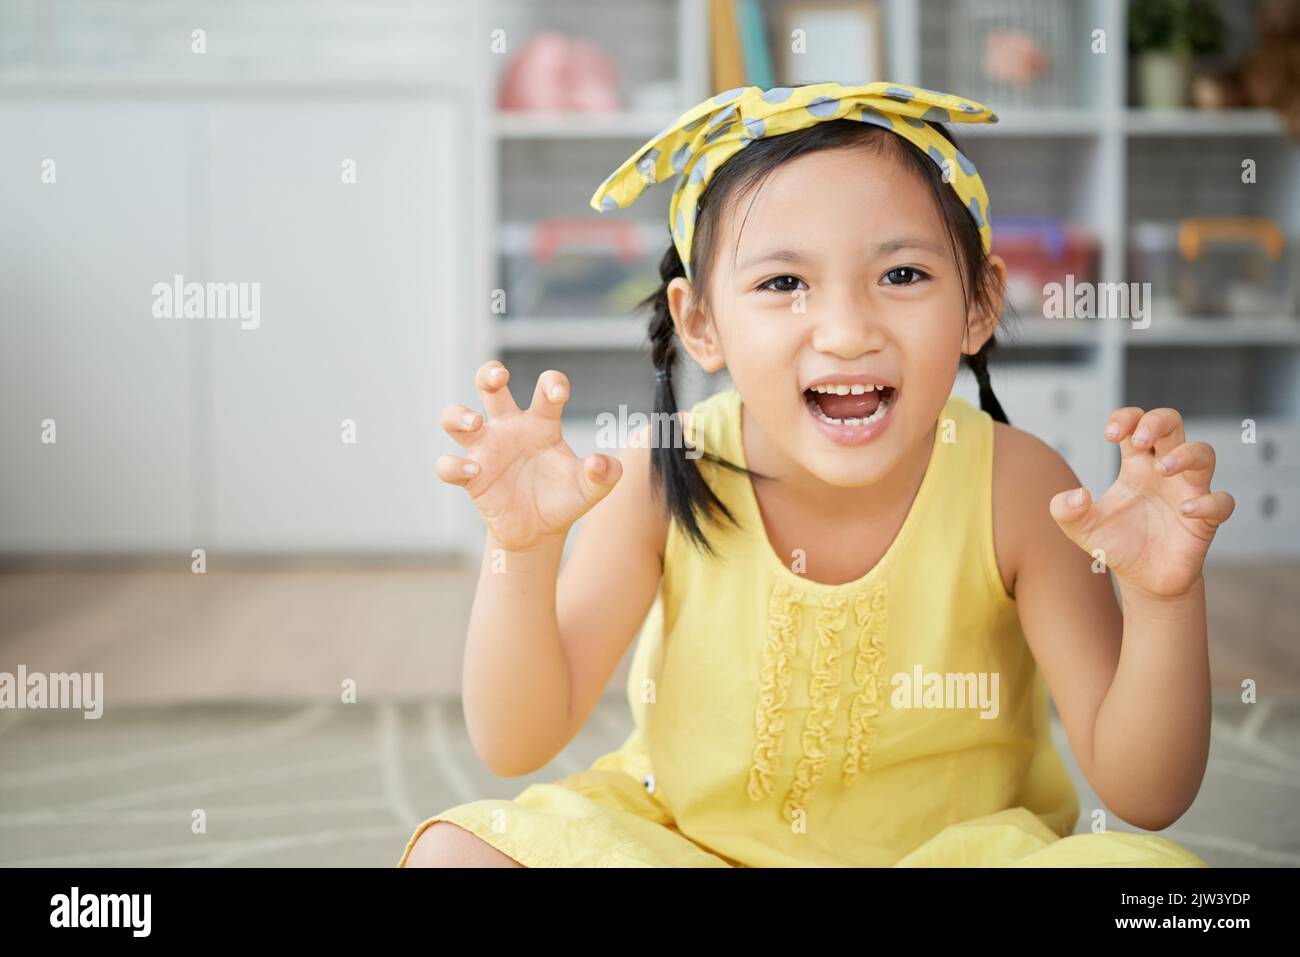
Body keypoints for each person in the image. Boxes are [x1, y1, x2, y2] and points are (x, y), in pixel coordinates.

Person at [403, 82, 1232, 867]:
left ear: (978, 304)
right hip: (691, 844)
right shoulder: (659, 474)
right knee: (454, 853)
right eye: (784, 282)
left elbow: (1146, 792)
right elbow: (516, 741)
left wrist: (1163, 598)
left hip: (956, 856)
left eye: (902, 275)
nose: (844, 330)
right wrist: (522, 549)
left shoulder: (1017, 487)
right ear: (700, 322)